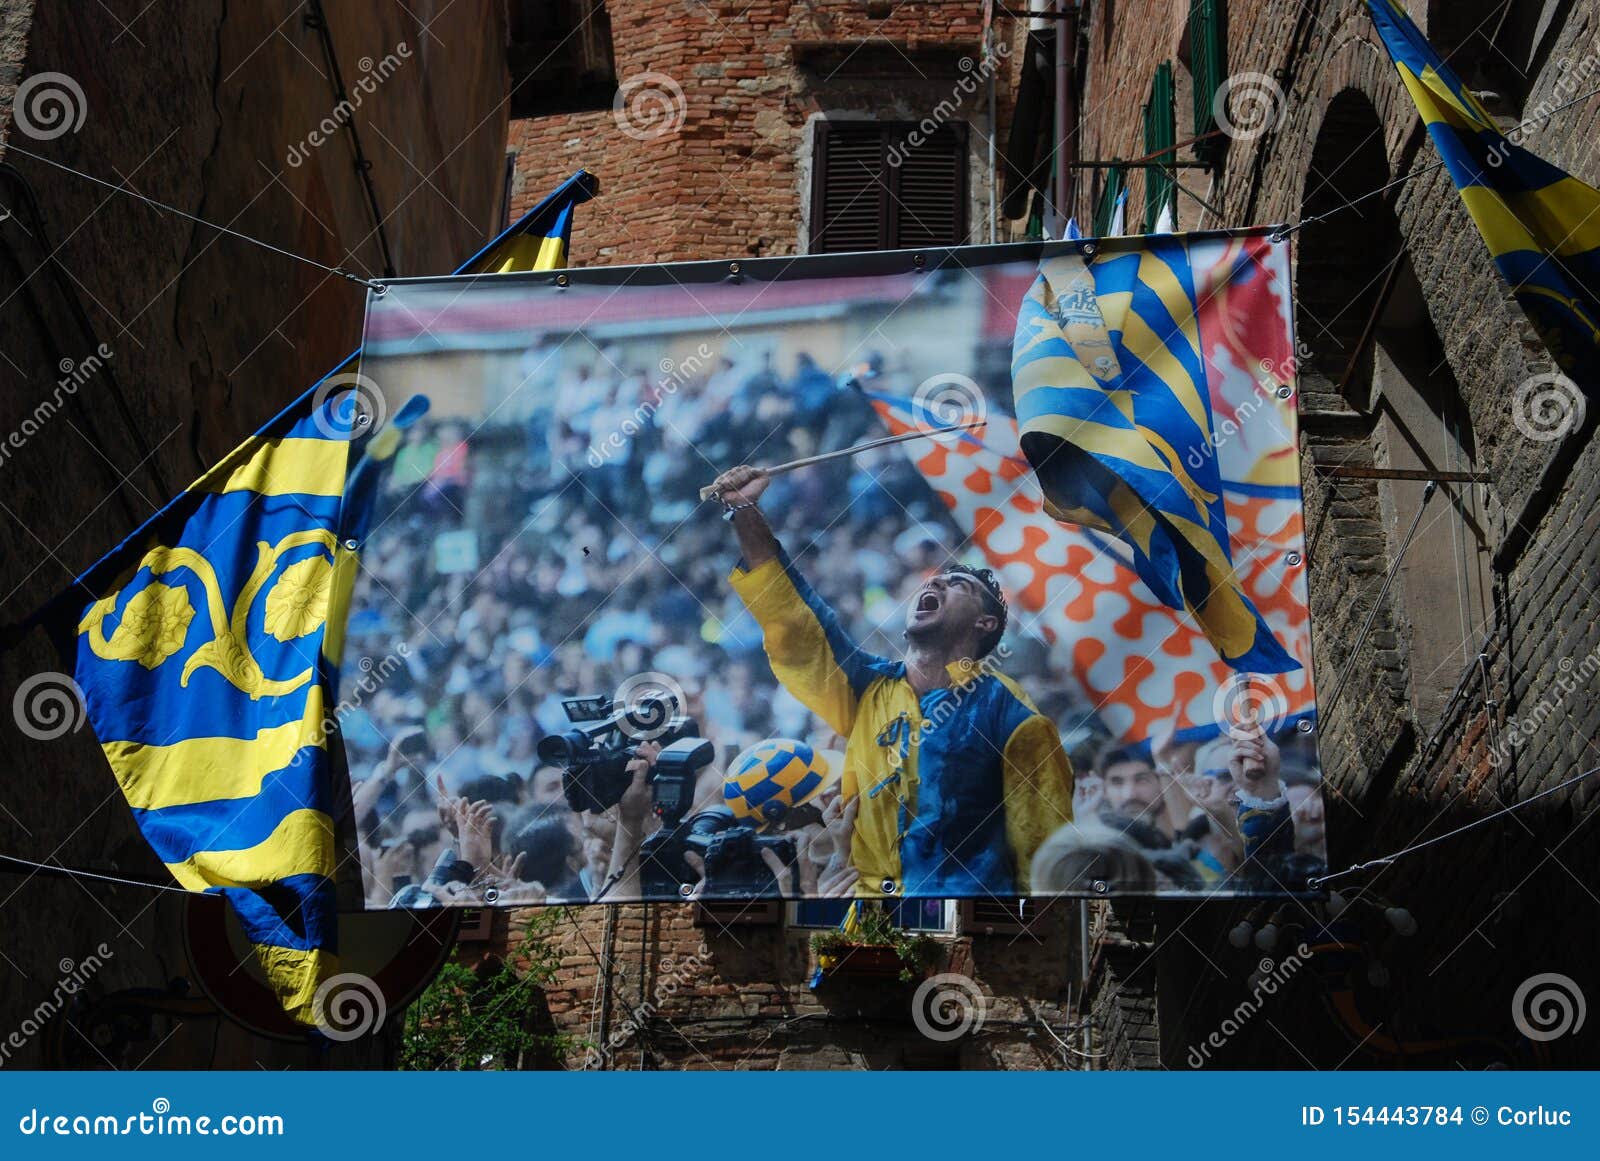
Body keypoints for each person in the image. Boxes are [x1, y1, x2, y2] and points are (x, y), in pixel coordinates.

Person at [705, 463, 1074, 897]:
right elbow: (795, 623)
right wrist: (745, 510)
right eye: (936, 580)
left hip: (971, 940)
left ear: (986, 624)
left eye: (959, 585)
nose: (937, 582)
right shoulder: (865, 688)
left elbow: (1046, 855)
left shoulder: (1011, 715)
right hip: (865, 930)